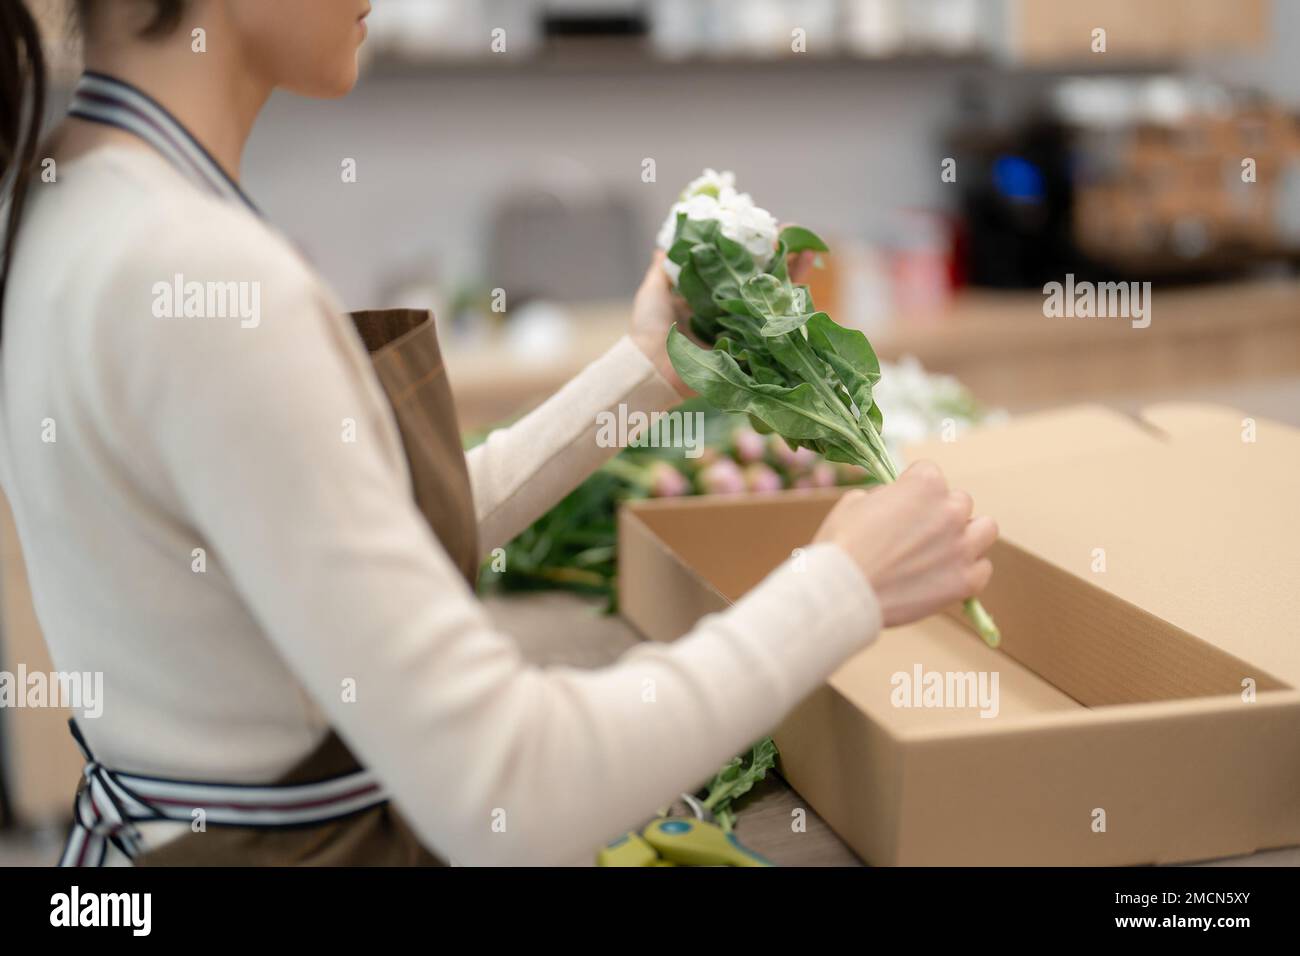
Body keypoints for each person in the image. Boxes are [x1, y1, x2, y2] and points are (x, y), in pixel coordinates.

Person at [0, 0, 996, 866]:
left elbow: (351, 540)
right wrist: (839, 589)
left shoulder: (75, 194)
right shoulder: (204, 279)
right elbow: (510, 793)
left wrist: (645, 370)